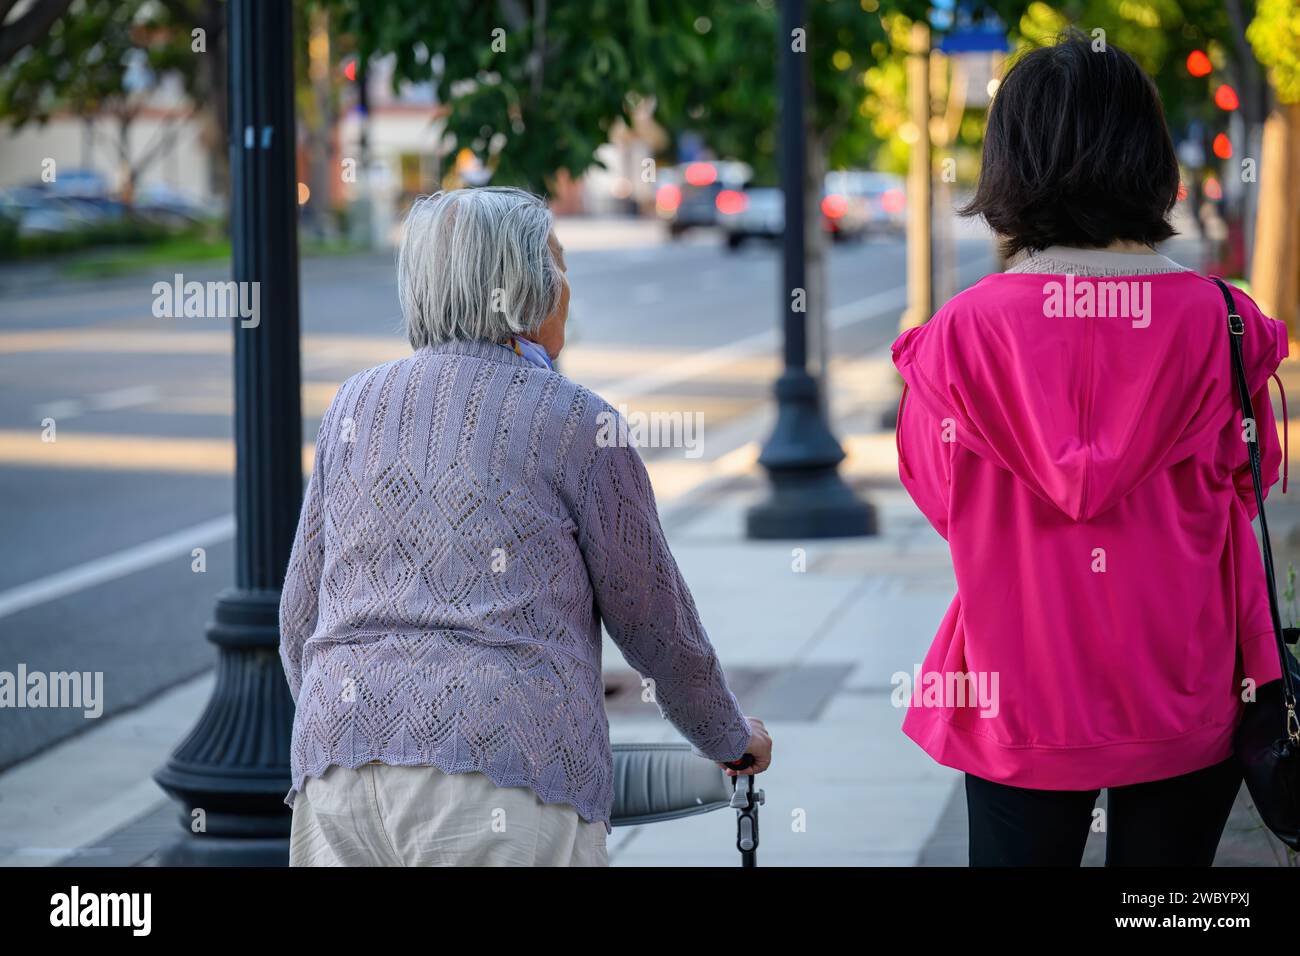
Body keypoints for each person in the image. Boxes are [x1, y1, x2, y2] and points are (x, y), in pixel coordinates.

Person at [280, 186, 771, 867]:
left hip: (336, 766)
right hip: (500, 779)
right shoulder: (577, 422)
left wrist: (358, 723)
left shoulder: (353, 404)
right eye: (558, 265)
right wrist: (727, 735)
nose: (567, 287)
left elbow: (301, 614)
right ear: (524, 289)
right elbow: (654, 620)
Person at [892, 35, 1287, 866]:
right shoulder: (1224, 323)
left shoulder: (961, 334)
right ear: (1151, 162)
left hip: (1017, 692)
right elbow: (1251, 487)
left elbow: (940, 496)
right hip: (1187, 687)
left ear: (1012, 165)